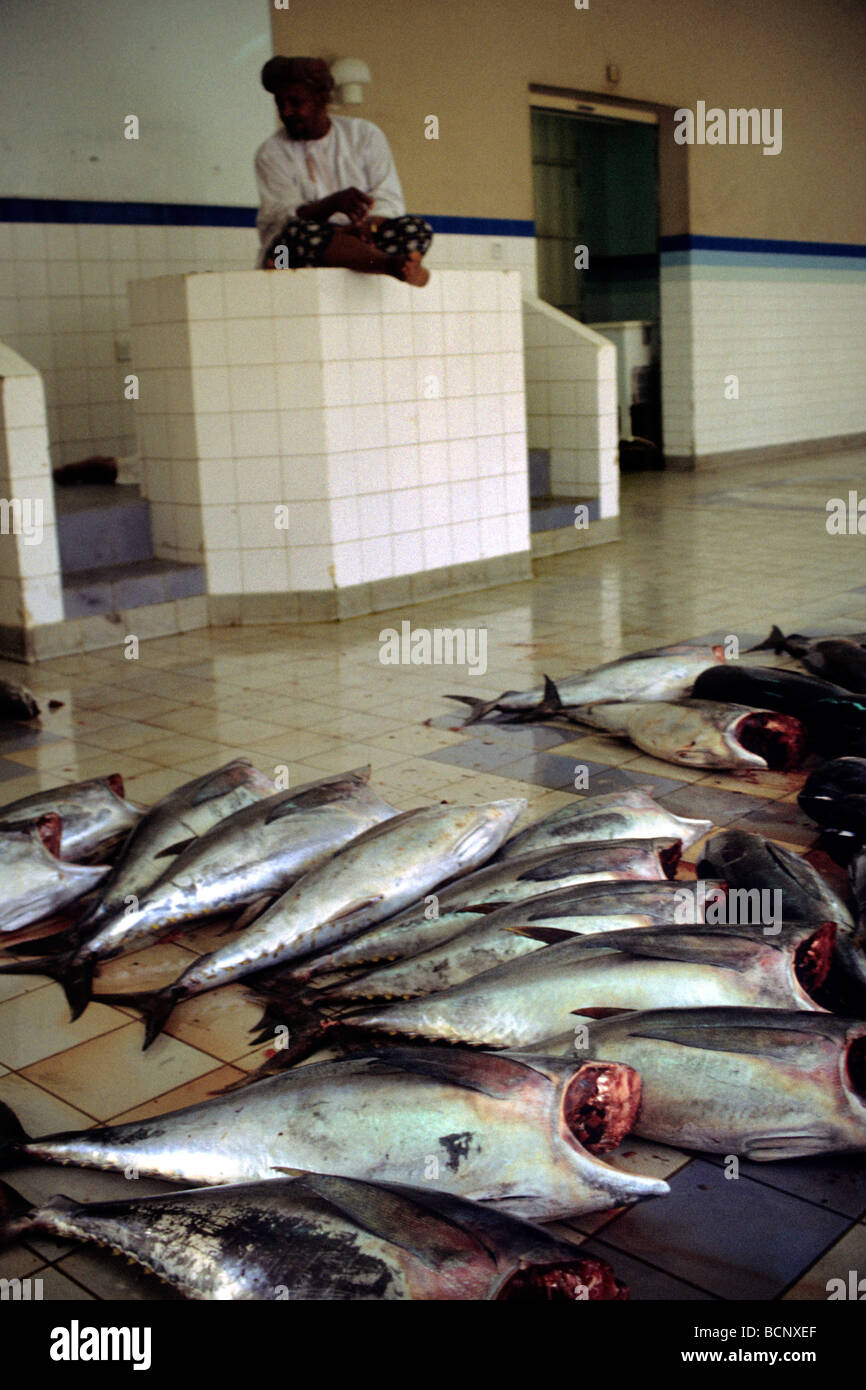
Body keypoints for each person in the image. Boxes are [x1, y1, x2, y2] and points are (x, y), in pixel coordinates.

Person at [255, 56, 432, 286]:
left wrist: (365, 227)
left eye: (295, 103)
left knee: (415, 228)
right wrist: (332, 205)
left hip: (363, 238)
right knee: (295, 235)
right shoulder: (271, 152)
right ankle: (390, 265)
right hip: (289, 254)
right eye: (280, 104)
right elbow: (283, 217)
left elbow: (389, 200)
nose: (286, 112)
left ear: (321, 99)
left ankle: (372, 258)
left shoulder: (364, 134)